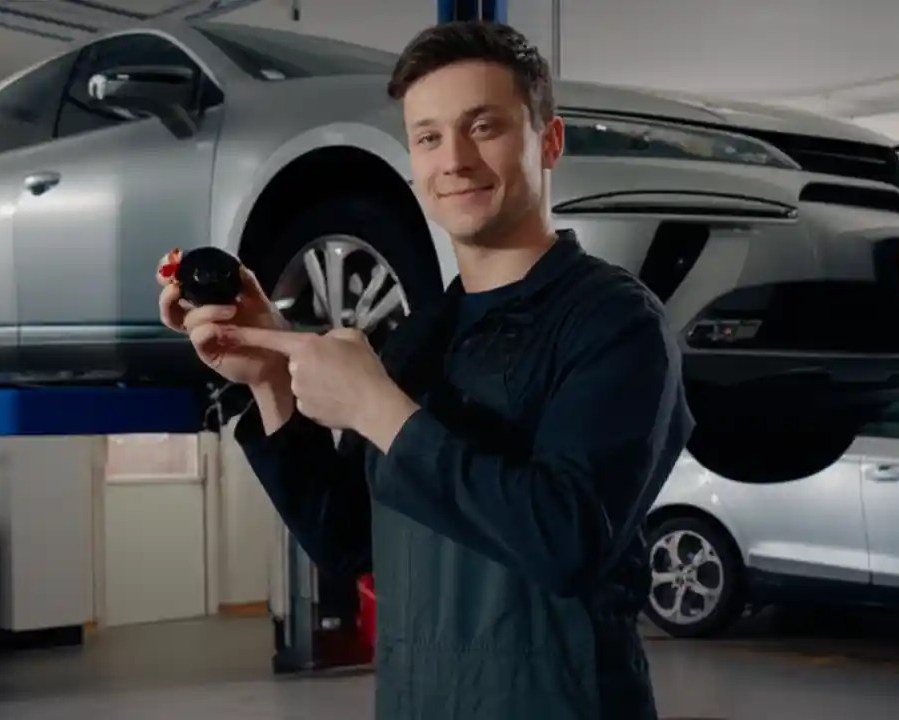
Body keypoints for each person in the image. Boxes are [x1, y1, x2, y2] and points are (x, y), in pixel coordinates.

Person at [157, 20, 693, 720]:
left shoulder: (614, 323)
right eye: (429, 137)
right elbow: (346, 538)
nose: (455, 160)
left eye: (485, 127)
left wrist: (379, 407)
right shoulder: (421, 336)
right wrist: (266, 376)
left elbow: (567, 541)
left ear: (549, 141)